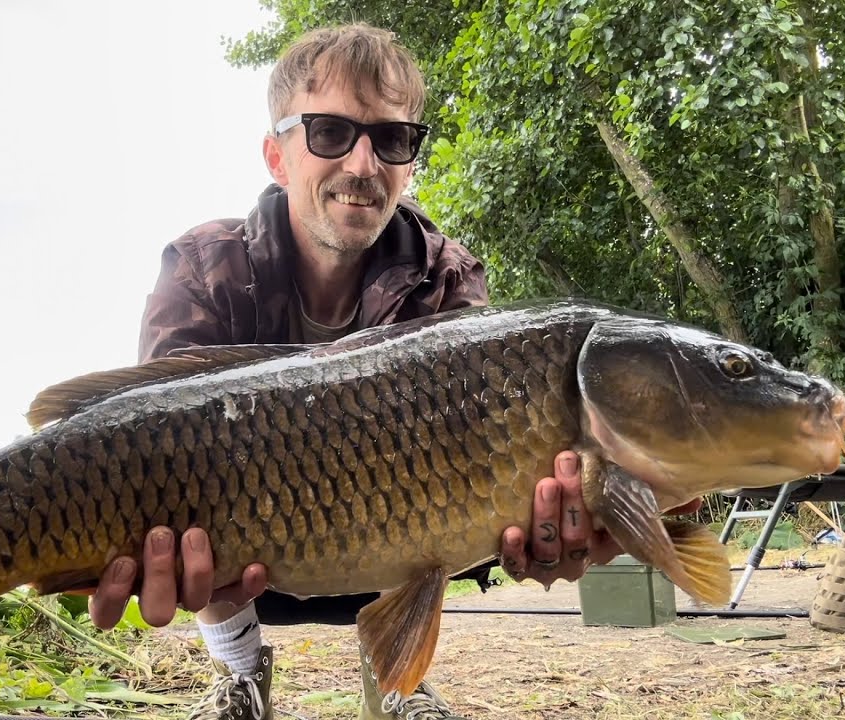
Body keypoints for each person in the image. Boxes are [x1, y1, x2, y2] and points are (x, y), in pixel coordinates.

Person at [87, 23, 696, 720]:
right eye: (329, 133)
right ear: (277, 156)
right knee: (186, 495)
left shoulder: (446, 277)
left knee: (431, 476)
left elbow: (508, 474)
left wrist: (570, 518)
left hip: (400, 531)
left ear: (410, 163)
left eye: (392, 140)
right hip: (243, 556)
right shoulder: (205, 267)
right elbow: (148, 448)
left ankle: (399, 682)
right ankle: (240, 670)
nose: (363, 163)